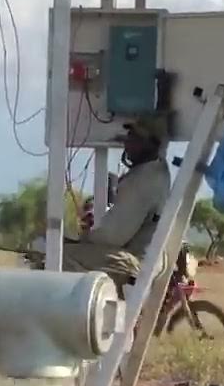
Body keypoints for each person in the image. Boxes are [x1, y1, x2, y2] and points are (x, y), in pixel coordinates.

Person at [62, 115, 171, 295]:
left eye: (136, 138)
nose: (128, 142)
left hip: (135, 263)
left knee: (62, 254)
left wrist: (82, 239)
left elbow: (113, 237)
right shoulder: (159, 170)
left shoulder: (140, 182)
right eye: (130, 135)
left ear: (151, 144)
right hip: (152, 259)